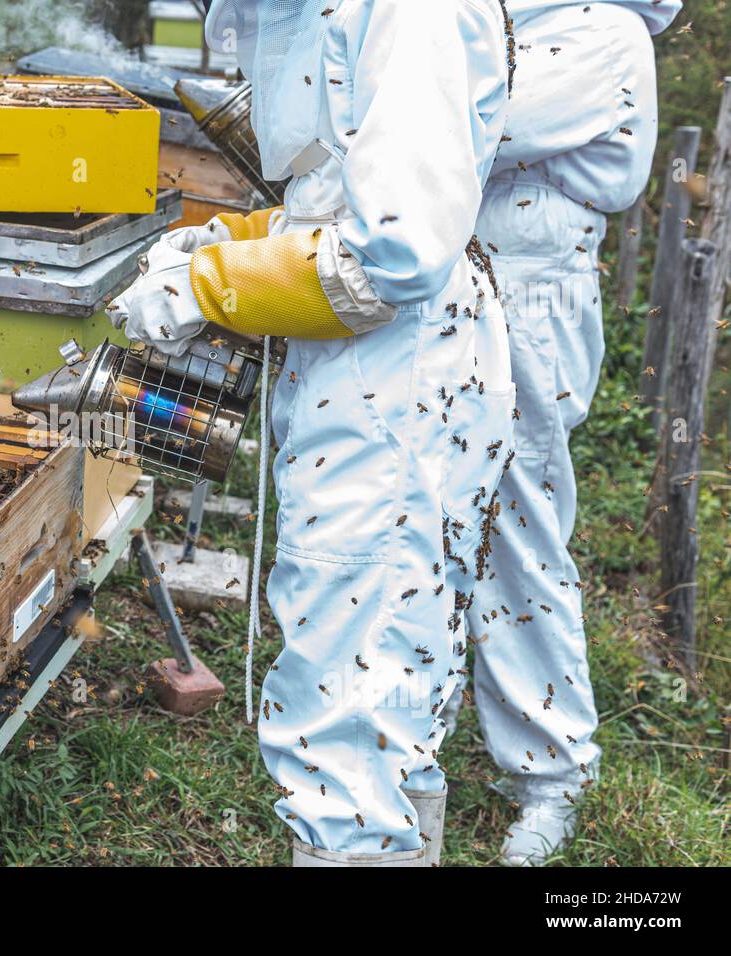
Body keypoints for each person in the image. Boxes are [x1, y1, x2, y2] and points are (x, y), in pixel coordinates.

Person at [108, 0, 516, 866]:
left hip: (394, 377)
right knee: (394, 692)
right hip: (389, 373)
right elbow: (342, 191)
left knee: (345, 718)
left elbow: (389, 258)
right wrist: (233, 241)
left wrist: (206, 285)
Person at [430, 0, 682, 865]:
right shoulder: (503, 17)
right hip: (456, 278)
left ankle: (552, 772)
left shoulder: (602, 31)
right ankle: (418, 725)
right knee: (434, 511)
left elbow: (472, 121)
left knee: (517, 529)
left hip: (528, 292)